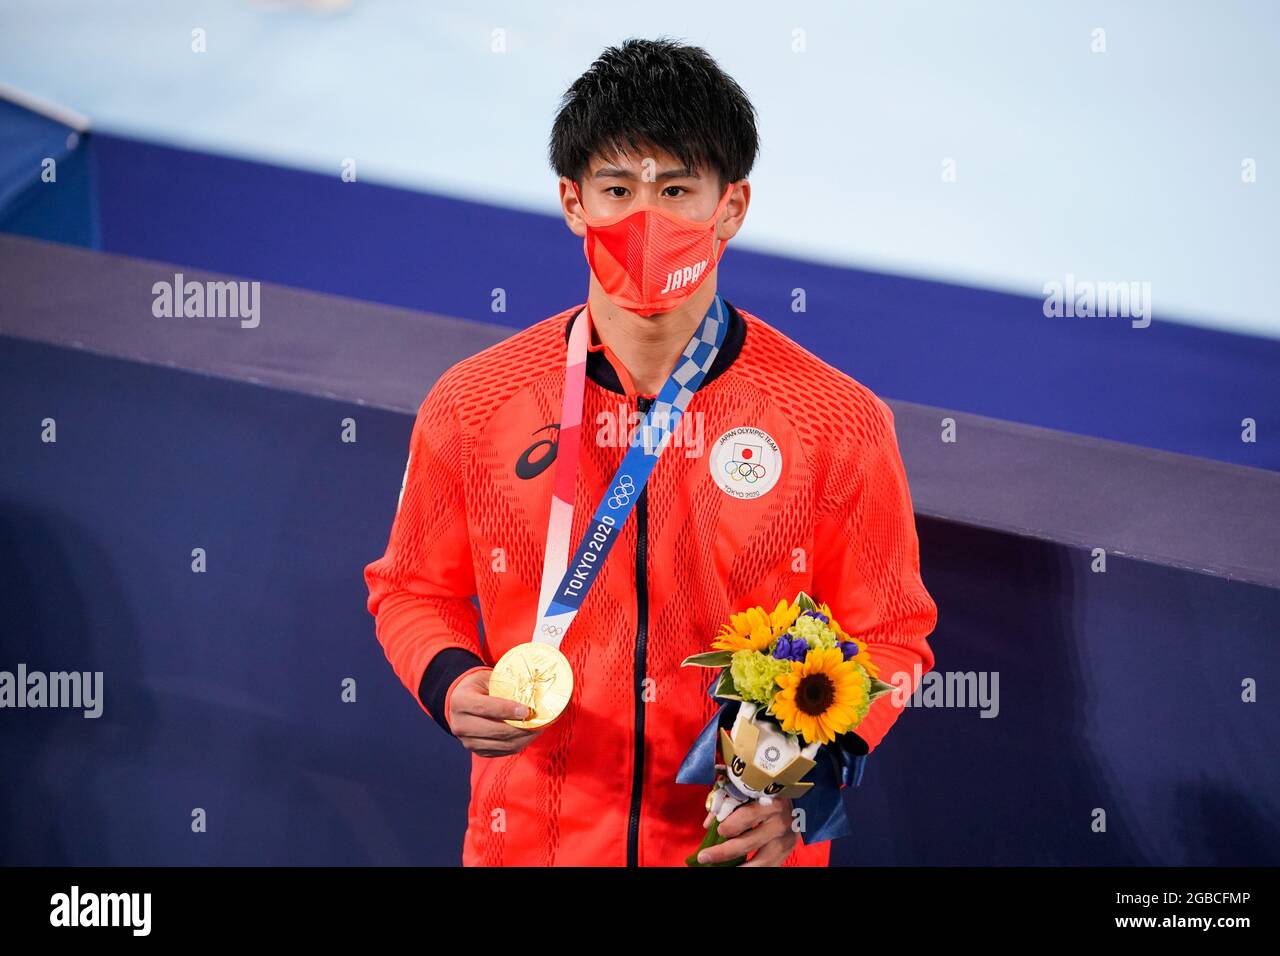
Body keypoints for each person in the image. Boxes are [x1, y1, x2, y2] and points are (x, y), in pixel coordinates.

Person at [363, 37, 938, 867]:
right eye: (616, 190)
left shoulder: (835, 420)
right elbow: (410, 588)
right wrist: (450, 681)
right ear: (572, 201)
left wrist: (808, 796)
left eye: (676, 190)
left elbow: (892, 634)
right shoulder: (474, 403)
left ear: (730, 207)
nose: (646, 221)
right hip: (531, 845)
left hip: (733, 849)